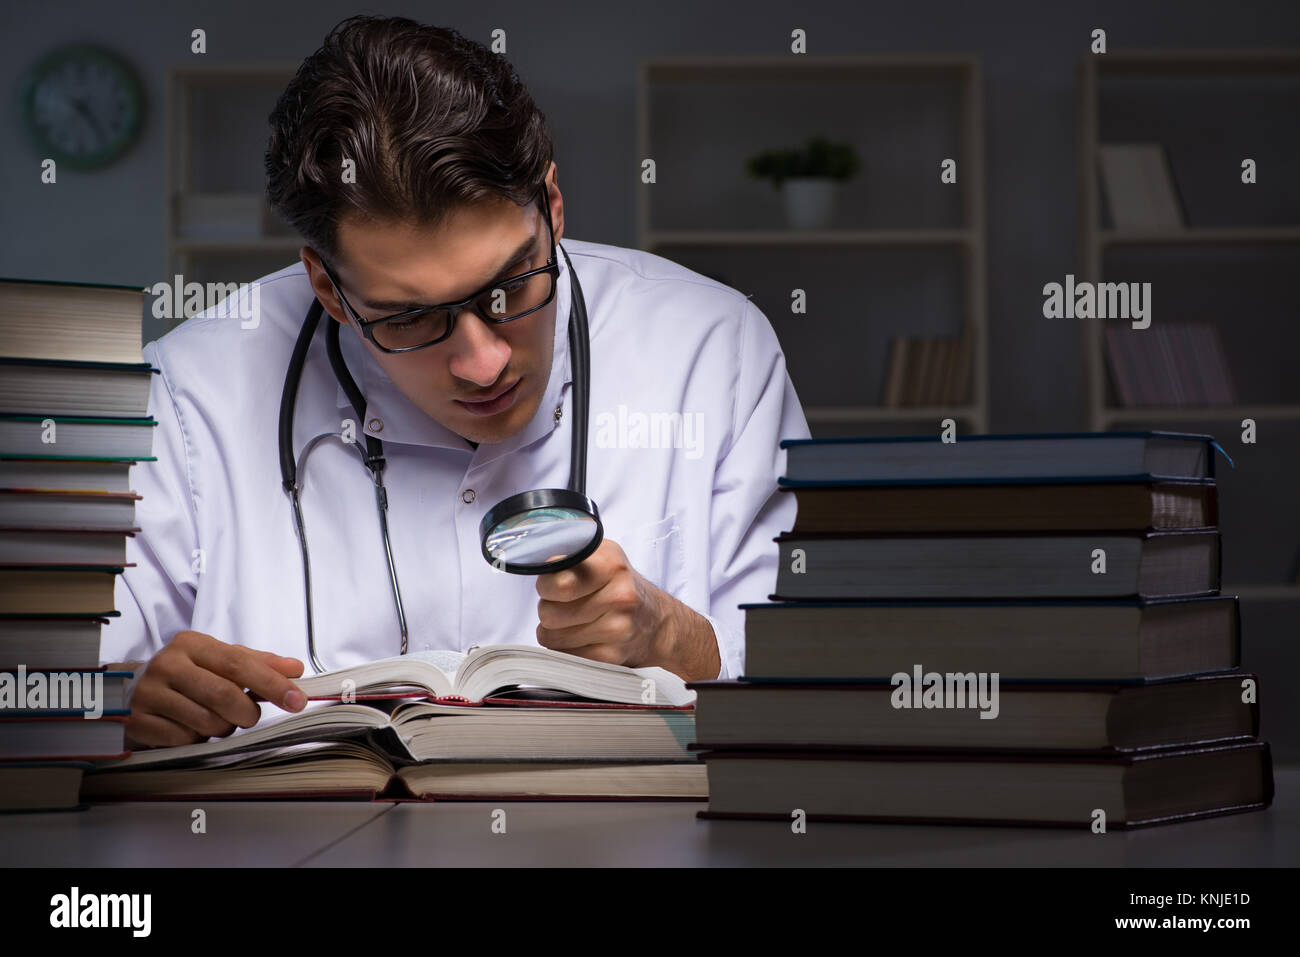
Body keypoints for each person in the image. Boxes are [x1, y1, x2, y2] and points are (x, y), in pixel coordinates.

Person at [102, 15, 809, 749]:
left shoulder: (713, 348)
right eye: (408, 317)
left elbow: (816, 689)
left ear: (553, 206)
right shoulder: (188, 393)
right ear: (328, 288)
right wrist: (126, 708)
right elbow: (59, 700)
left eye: (509, 287)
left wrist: (677, 639)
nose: (483, 362)